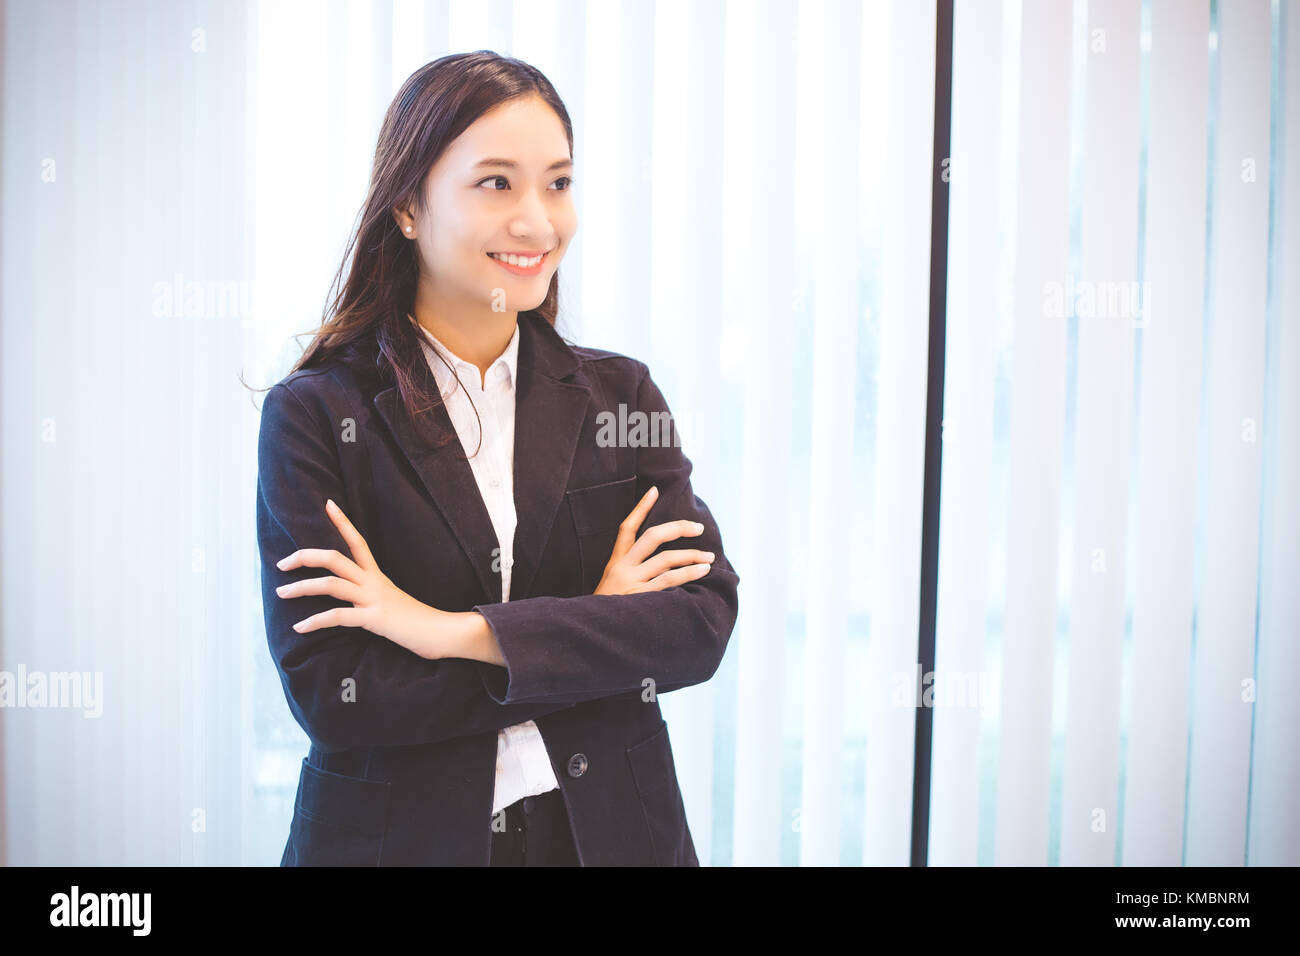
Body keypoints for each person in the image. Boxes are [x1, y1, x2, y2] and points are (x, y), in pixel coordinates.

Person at [255, 50, 740, 866]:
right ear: (408, 206)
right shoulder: (316, 415)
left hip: (611, 836)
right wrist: (595, 624)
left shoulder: (621, 397)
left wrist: (446, 632)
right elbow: (336, 692)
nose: (539, 222)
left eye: (557, 182)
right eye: (497, 183)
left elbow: (698, 623)